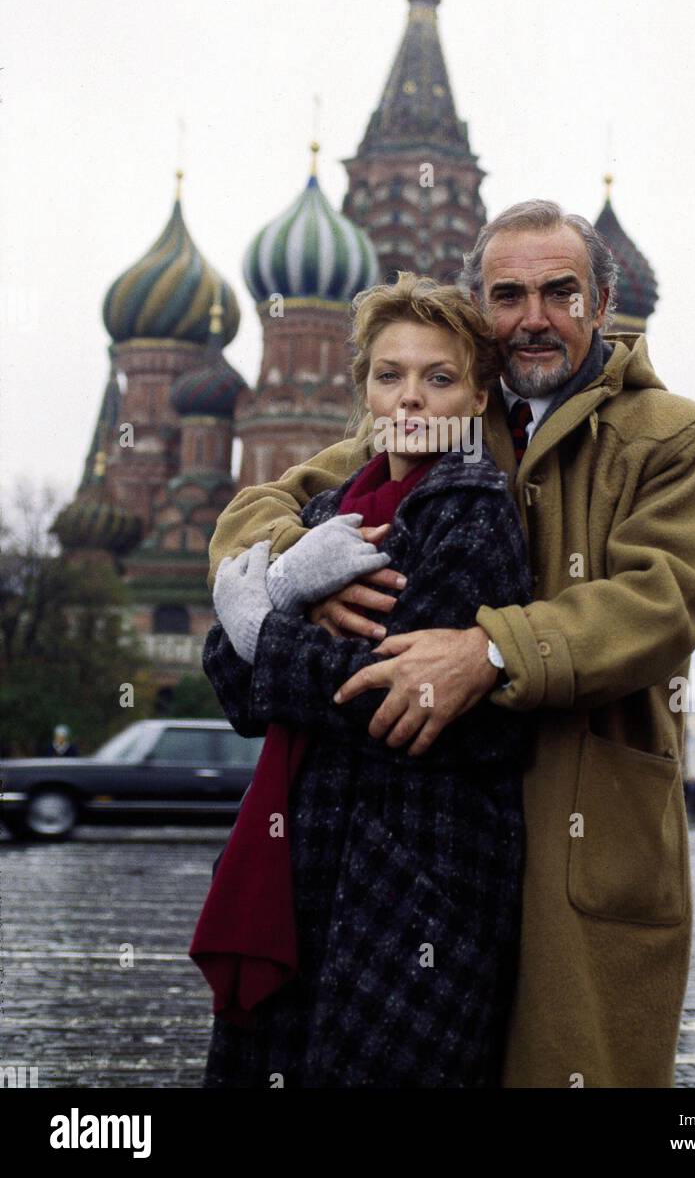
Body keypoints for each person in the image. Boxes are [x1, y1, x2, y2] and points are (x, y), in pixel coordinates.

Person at [208, 200, 695, 1089]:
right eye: (507, 294)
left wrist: (489, 651)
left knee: (566, 1063)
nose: (532, 316)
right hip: (425, 836)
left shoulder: (672, 437)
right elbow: (261, 506)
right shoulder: (442, 409)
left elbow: (661, 599)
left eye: (558, 292)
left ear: (601, 305)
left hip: (579, 815)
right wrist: (305, 570)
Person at [195, 274, 534, 1088]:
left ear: (477, 395)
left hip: (417, 879)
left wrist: (259, 624)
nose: (411, 398)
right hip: (308, 857)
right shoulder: (328, 515)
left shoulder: (472, 513)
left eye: (438, 378)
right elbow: (236, 691)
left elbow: (393, 694)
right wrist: (281, 602)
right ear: (365, 391)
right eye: (390, 376)